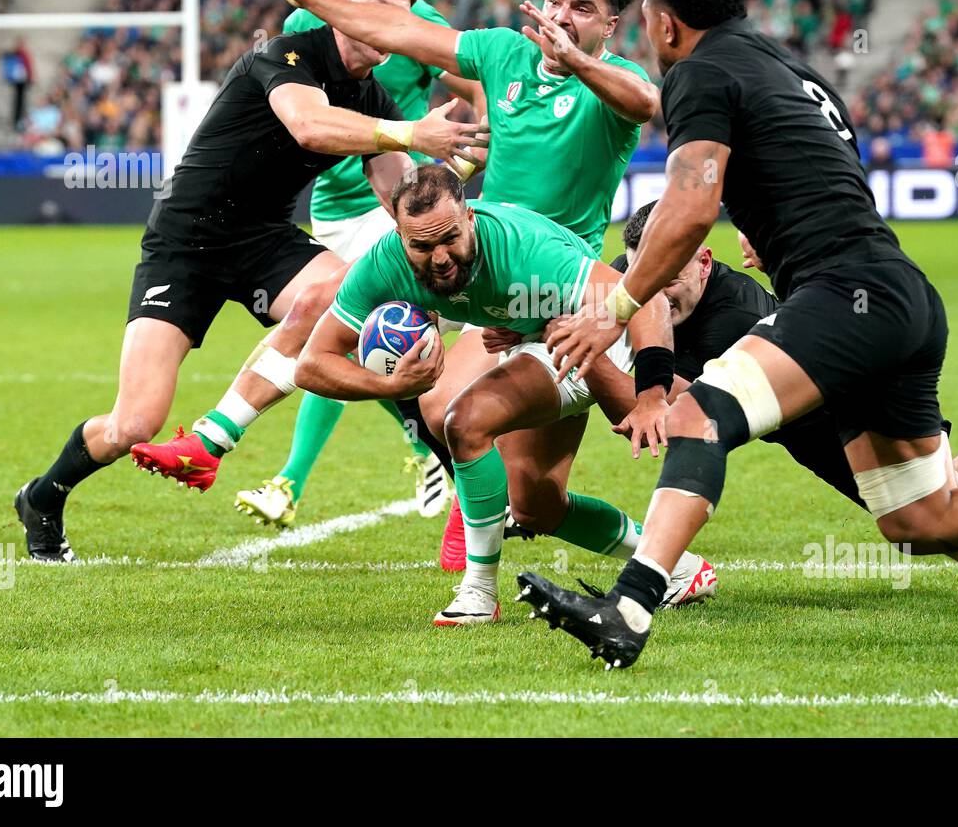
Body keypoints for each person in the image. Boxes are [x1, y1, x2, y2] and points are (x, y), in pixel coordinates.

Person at [518, 0, 958, 668]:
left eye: (648, 23)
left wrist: (614, 306)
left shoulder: (698, 73)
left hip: (846, 296)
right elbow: (817, 169)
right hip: (897, 295)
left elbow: (686, 208)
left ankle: (628, 609)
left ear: (666, 23)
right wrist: (774, 232)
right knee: (919, 517)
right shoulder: (794, 71)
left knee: (696, 418)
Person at [13, 0, 487, 561]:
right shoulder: (287, 54)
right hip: (185, 241)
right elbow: (309, 126)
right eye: (374, 12)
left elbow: (407, 205)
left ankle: (452, 472)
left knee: (351, 299)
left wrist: (467, 164)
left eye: (399, 19)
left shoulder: (373, 97)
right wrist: (412, 135)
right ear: (338, 6)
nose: (389, 29)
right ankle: (43, 497)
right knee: (133, 425)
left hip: (265, 239)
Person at [244, 0, 659, 563]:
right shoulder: (500, 52)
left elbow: (646, 104)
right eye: (554, 1)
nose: (561, 16)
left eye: (581, 8)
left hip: (564, 295)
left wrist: (577, 61)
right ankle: (489, 530)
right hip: (490, 282)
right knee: (447, 413)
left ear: (610, 24)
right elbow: (399, 29)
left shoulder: (616, 83)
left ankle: (669, 520)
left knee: (629, 432)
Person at [559, 202, 958, 627]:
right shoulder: (639, 274)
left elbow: (682, 414)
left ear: (704, 261)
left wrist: (594, 354)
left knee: (943, 519)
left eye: (669, 278)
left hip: (847, 413)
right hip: (803, 426)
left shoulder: (735, 314)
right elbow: (607, 305)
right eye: (644, 277)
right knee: (942, 508)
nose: (655, 294)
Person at [296, 166, 716, 625]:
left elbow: (647, 299)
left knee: (465, 420)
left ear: (470, 217)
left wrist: (652, 395)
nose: (439, 257)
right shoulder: (384, 263)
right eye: (421, 245)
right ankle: (678, 566)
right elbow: (311, 363)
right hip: (529, 336)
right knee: (537, 506)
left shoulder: (527, 252)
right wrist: (389, 387)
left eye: (450, 238)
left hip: (584, 332)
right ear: (399, 235)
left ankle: (478, 592)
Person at [234, 0, 487, 527]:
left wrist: (454, 169)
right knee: (352, 330)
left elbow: (476, 89)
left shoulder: (416, 19)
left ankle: (289, 479)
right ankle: (429, 446)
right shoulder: (302, 21)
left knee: (340, 326)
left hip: (393, 198)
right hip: (331, 203)